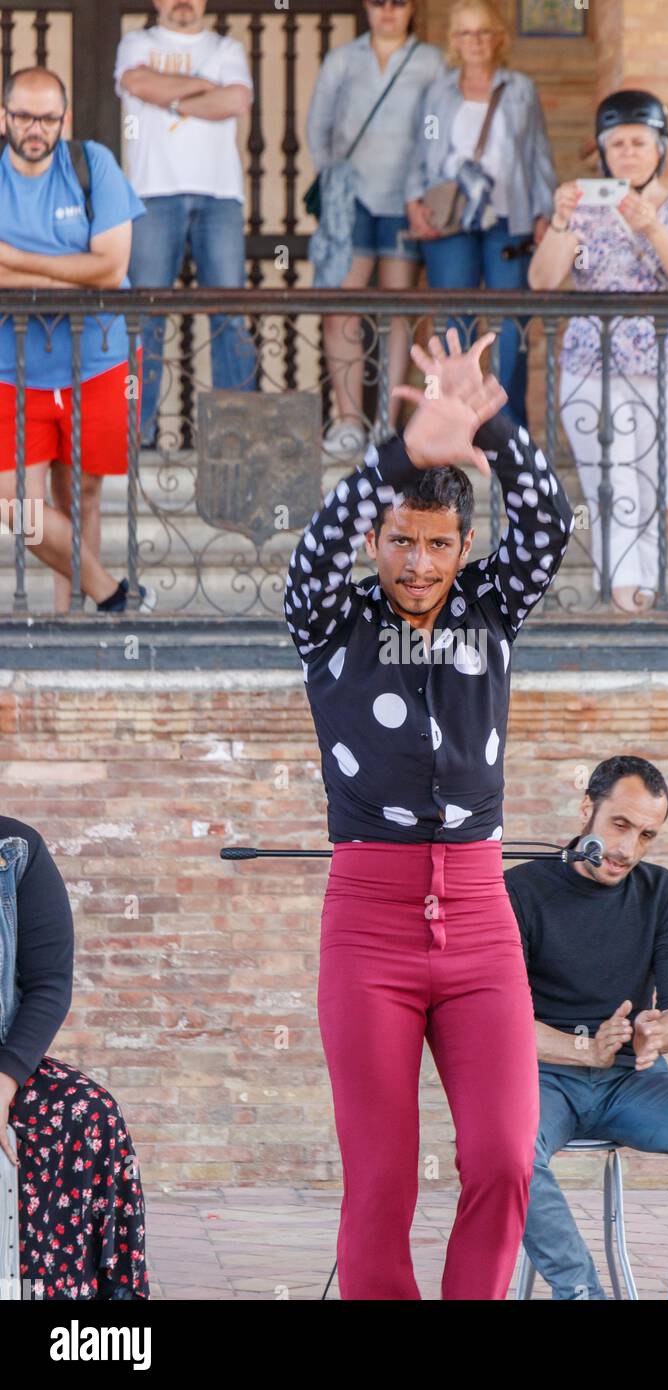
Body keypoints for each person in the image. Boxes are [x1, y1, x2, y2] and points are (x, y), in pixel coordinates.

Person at [283, 328, 574, 1299]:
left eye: (437, 544)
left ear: (462, 547)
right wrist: (409, 448)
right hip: (367, 924)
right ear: (377, 540)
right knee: (380, 1183)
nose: (415, 562)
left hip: (481, 921)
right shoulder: (329, 618)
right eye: (399, 540)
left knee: (501, 1155)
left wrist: (492, 421)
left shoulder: (490, 606)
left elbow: (546, 525)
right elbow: (318, 540)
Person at [504, 755, 668, 1301]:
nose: (629, 849)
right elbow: (495, 1019)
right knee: (499, 1147)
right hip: (543, 1078)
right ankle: (582, 1291)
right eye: (620, 825)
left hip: (630, 1080)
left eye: (647, 835)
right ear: (588, 808)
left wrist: (659, 1033)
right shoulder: (518, 890)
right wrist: (580, 1049)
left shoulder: (667, 893)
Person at [528, 89, 668, 613]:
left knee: (656, 486)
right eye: (616, 144)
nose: (628, 152)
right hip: (592, 368)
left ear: (660, 148)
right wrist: (563, 221)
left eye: (638, 142)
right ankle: (625, 596)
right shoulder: (584, 209)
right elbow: (541, 280)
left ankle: (643, 591)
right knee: (610, 482)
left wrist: (652, 227)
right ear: (603, 153)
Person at [0, 66, 154, 616]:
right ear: (4, 117)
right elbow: (92, 267)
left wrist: (13, 260)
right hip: (12, 369)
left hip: (99, 359)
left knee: (83, 494)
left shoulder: (93, 164)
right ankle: (110, 592)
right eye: (23, 116)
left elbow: (111, 269)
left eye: (47, 117)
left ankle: (71, 620)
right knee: (21, 509)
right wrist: (72, 271)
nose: (35, 128)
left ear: (64, 119)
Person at [0, 815, 149, 1299]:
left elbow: (48, 985)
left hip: (2, 1063)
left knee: (88, 1112)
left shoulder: (15, 850)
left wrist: (3, 1085)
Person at [405, 0, 555, 429]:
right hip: (452, 222)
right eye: (466, 33)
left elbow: (537, 155)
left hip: (510, 221)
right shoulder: (439, 91)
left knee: (512, 327)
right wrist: (414, 201)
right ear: (454, 41)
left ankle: (508, 429)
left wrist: (545, 212)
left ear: (499, 38)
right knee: (454, 322)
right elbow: (423, 151)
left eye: (484, 32)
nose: (476, 41)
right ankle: (455, 424)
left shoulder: (520, 89)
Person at [306, 0, 444, 459]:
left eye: (398, 2)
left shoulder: (430, 61)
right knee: (339, 305)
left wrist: (423, 188)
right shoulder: (342, 59)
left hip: (405, 197)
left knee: (395, 309)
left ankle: (385, 421)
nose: (387, 10)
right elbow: (318, 127)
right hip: (352, 199)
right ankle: (347, 421)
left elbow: (436, 130)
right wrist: (335, 180)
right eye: (378, 2)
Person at [115, 0, 257, 448]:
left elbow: (235, 98)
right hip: (152, 192)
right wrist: (198, 88)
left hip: (220, 195)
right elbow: (134, 81)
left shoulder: (227, 46)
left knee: (229, 313)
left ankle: (236, 436)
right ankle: (137, 434)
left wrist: (168, 95)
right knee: (145, 313)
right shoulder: (136, 43)